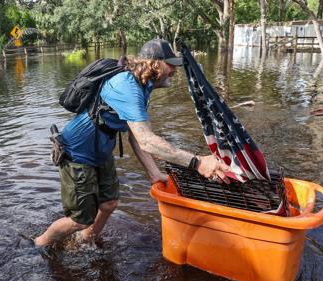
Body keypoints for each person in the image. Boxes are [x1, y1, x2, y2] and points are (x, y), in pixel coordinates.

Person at [35, 39, 230, 247]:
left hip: (100, 152)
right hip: (77, 153)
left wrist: (154, 174)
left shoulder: (143, 86)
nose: (175, 69)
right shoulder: (126, 86)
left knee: (109, 204)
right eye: (170, 64)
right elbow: (147, 141)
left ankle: (86, 243)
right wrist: (198, 162)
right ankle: (39, 244)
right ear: (154, 64)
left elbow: (136, 137)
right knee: (80, 219)